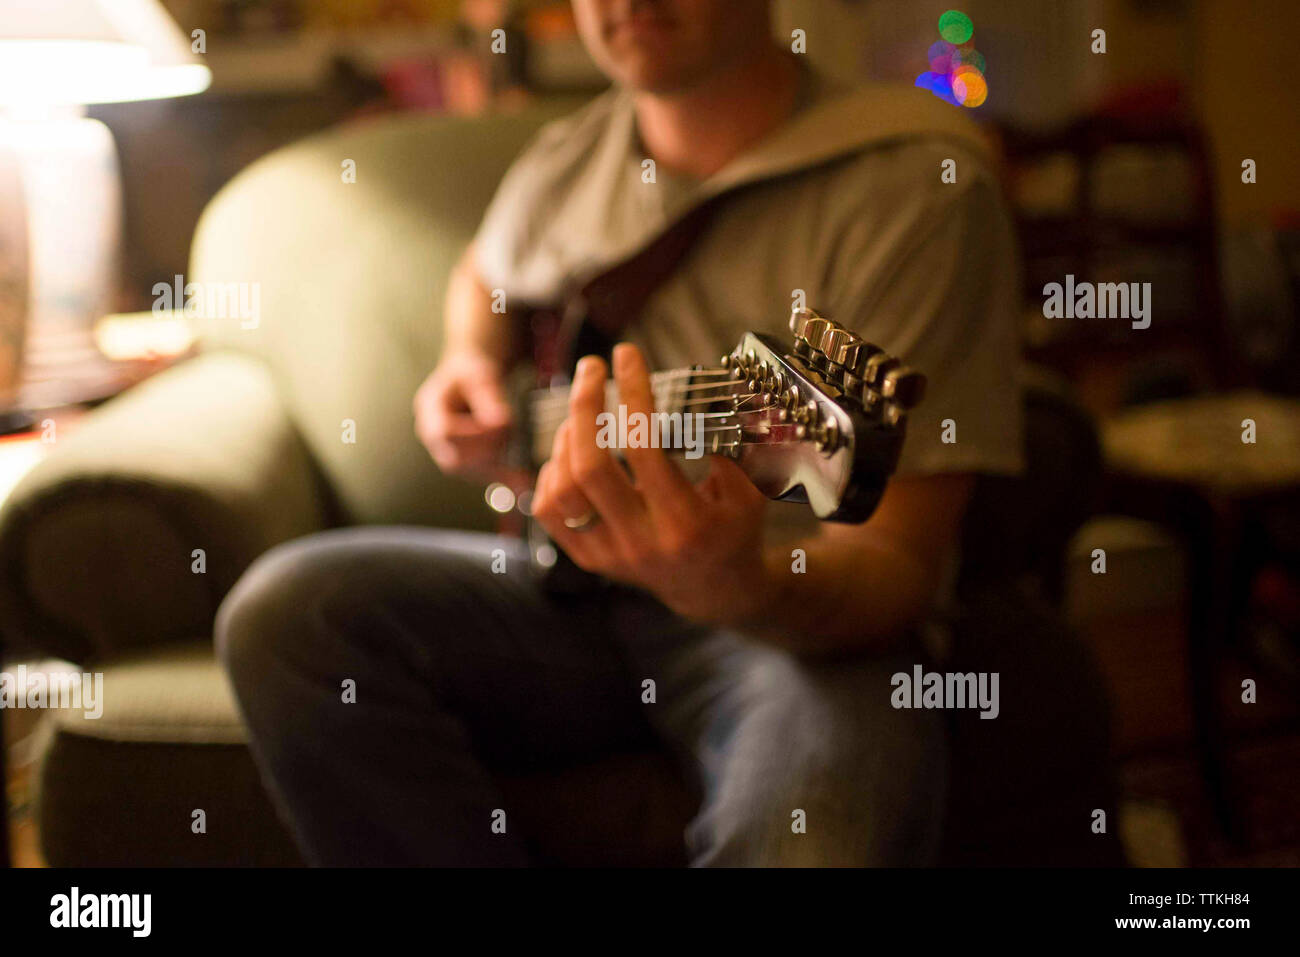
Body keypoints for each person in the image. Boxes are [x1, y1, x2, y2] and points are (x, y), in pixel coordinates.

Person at [217, 0, 1023, 866]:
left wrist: (745, 585)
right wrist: (469, 360)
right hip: (569, 594)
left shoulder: (915, 182)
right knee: (287, 615)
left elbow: (897, 561)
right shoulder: (564, 160)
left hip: (788, 622)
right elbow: (481, 275)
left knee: (817, 837)